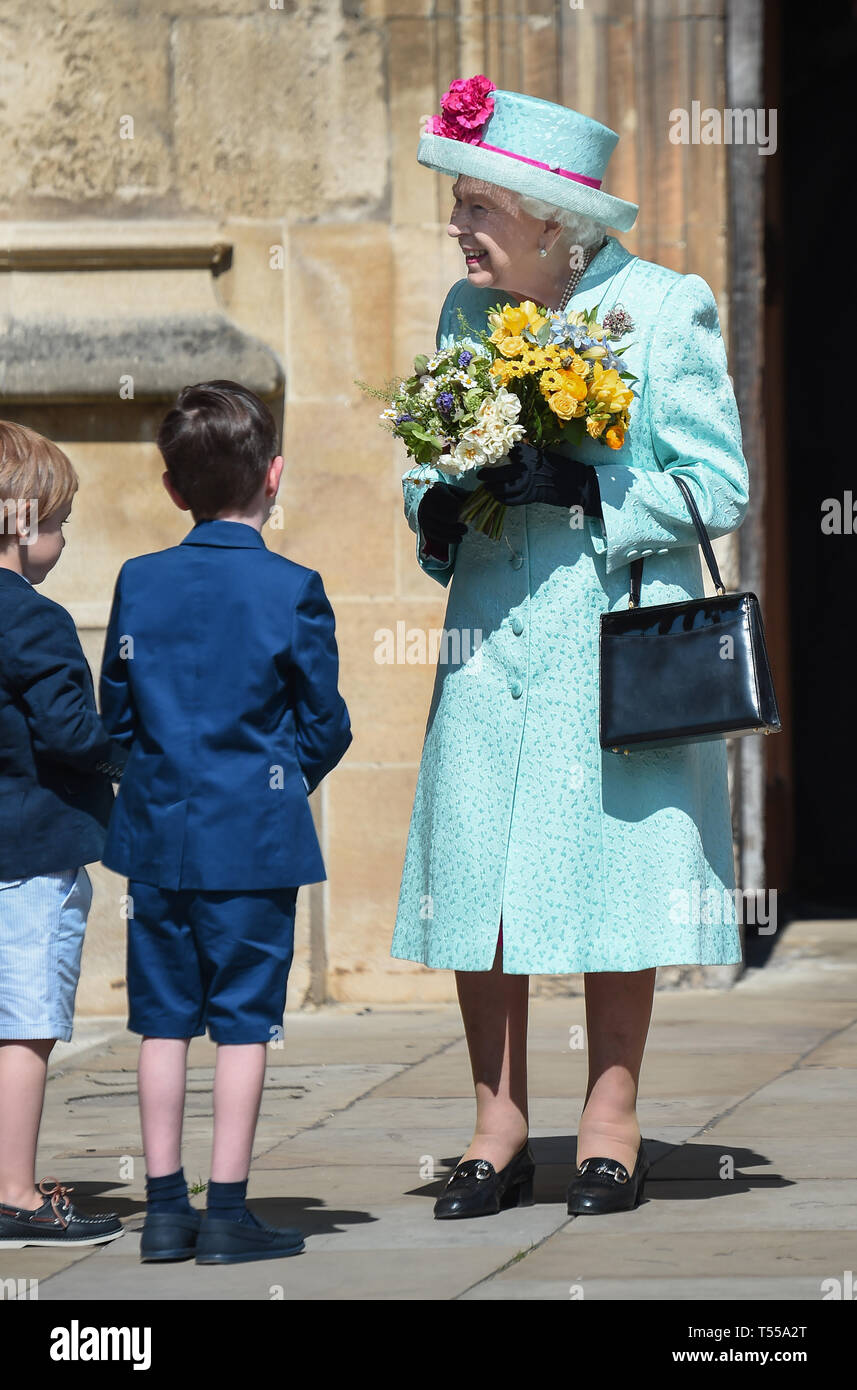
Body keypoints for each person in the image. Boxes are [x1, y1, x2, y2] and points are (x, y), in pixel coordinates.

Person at [391, 81, 749, 1218]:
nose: (458, 229)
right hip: (491, 643)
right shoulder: (467, 311)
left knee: (608, 871)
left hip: (609, 644)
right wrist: (438, 507)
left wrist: (593, 493)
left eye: (475, 206)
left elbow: (715, 485)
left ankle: (609, 1120)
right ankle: (496, 1127)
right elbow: (425, 455)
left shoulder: (661, 306)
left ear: (550, 219)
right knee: (481, 884)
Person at [99, 381, 352, 1264]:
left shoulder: (138, 579)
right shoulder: (294, 587)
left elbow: (117, 718)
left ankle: (166, 1209)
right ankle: (229, 1211)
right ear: (273, 477)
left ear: (173, 489)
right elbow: (326, 723)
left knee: (161, 1020)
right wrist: (275, 786)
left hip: (159, 835)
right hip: (254, 839)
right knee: (245, 1022)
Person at [0, 421, 126, 1249]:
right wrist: (136, 745)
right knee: (26, 1024)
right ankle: (15, 1193)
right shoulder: (34, 621)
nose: (64, 535)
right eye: (57, 519)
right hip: (32, 858)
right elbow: (72, 735)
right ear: (20, 522)